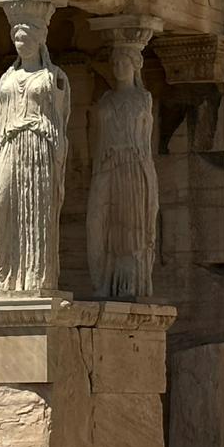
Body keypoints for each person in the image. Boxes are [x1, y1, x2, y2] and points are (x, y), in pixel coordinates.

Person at [0, 7, 71, 293]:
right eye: (16, 38)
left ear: (39, 40)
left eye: (25, 37)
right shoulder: (6, 78)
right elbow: (1, 119)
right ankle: (7, 277)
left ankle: (36, 278)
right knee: (0, 207)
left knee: (37, 212)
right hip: (11, 145)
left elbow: (62, 119)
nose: (20, 43)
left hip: (38, 146)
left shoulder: (54, 78)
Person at [86, 41, 157, 299]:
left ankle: (129, 284)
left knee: (129, 226)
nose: (118, 68)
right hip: (107, 165)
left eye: (123, 62)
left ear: (135, 65)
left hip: (132, 166)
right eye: (114, 63)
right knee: (101, 222)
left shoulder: (143, 98)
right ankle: (105, 280)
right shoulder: (106, 99)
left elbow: (144, 139)